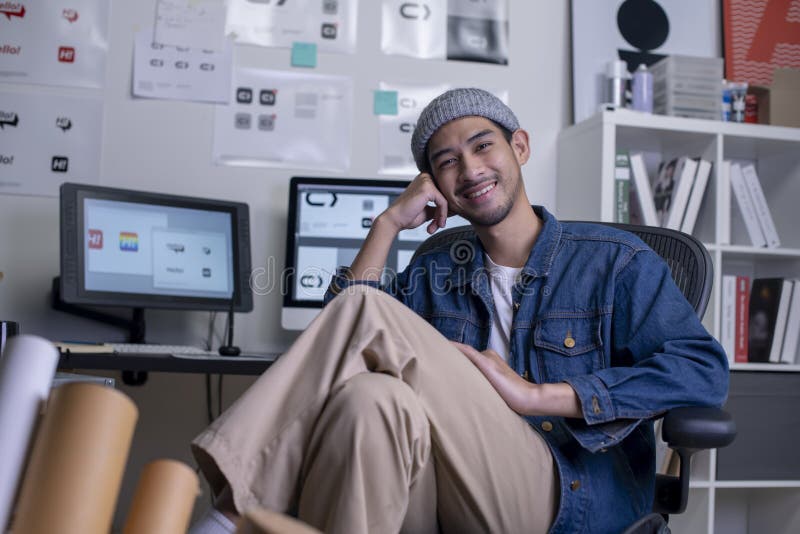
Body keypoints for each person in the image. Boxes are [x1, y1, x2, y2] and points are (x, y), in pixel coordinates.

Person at [189, 88, 729, 534]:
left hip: (566, 498)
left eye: (482, 146)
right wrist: (387, 225)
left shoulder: (613, 261)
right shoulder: (436, 267)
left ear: (520, 146)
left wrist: (537, 395)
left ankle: (231, 513)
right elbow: (338, 343)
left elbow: (703, 371)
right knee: (367, 399)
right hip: (449, 497)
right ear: (435, 186)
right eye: (447, 162)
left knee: (368, 318)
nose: (469, 170)